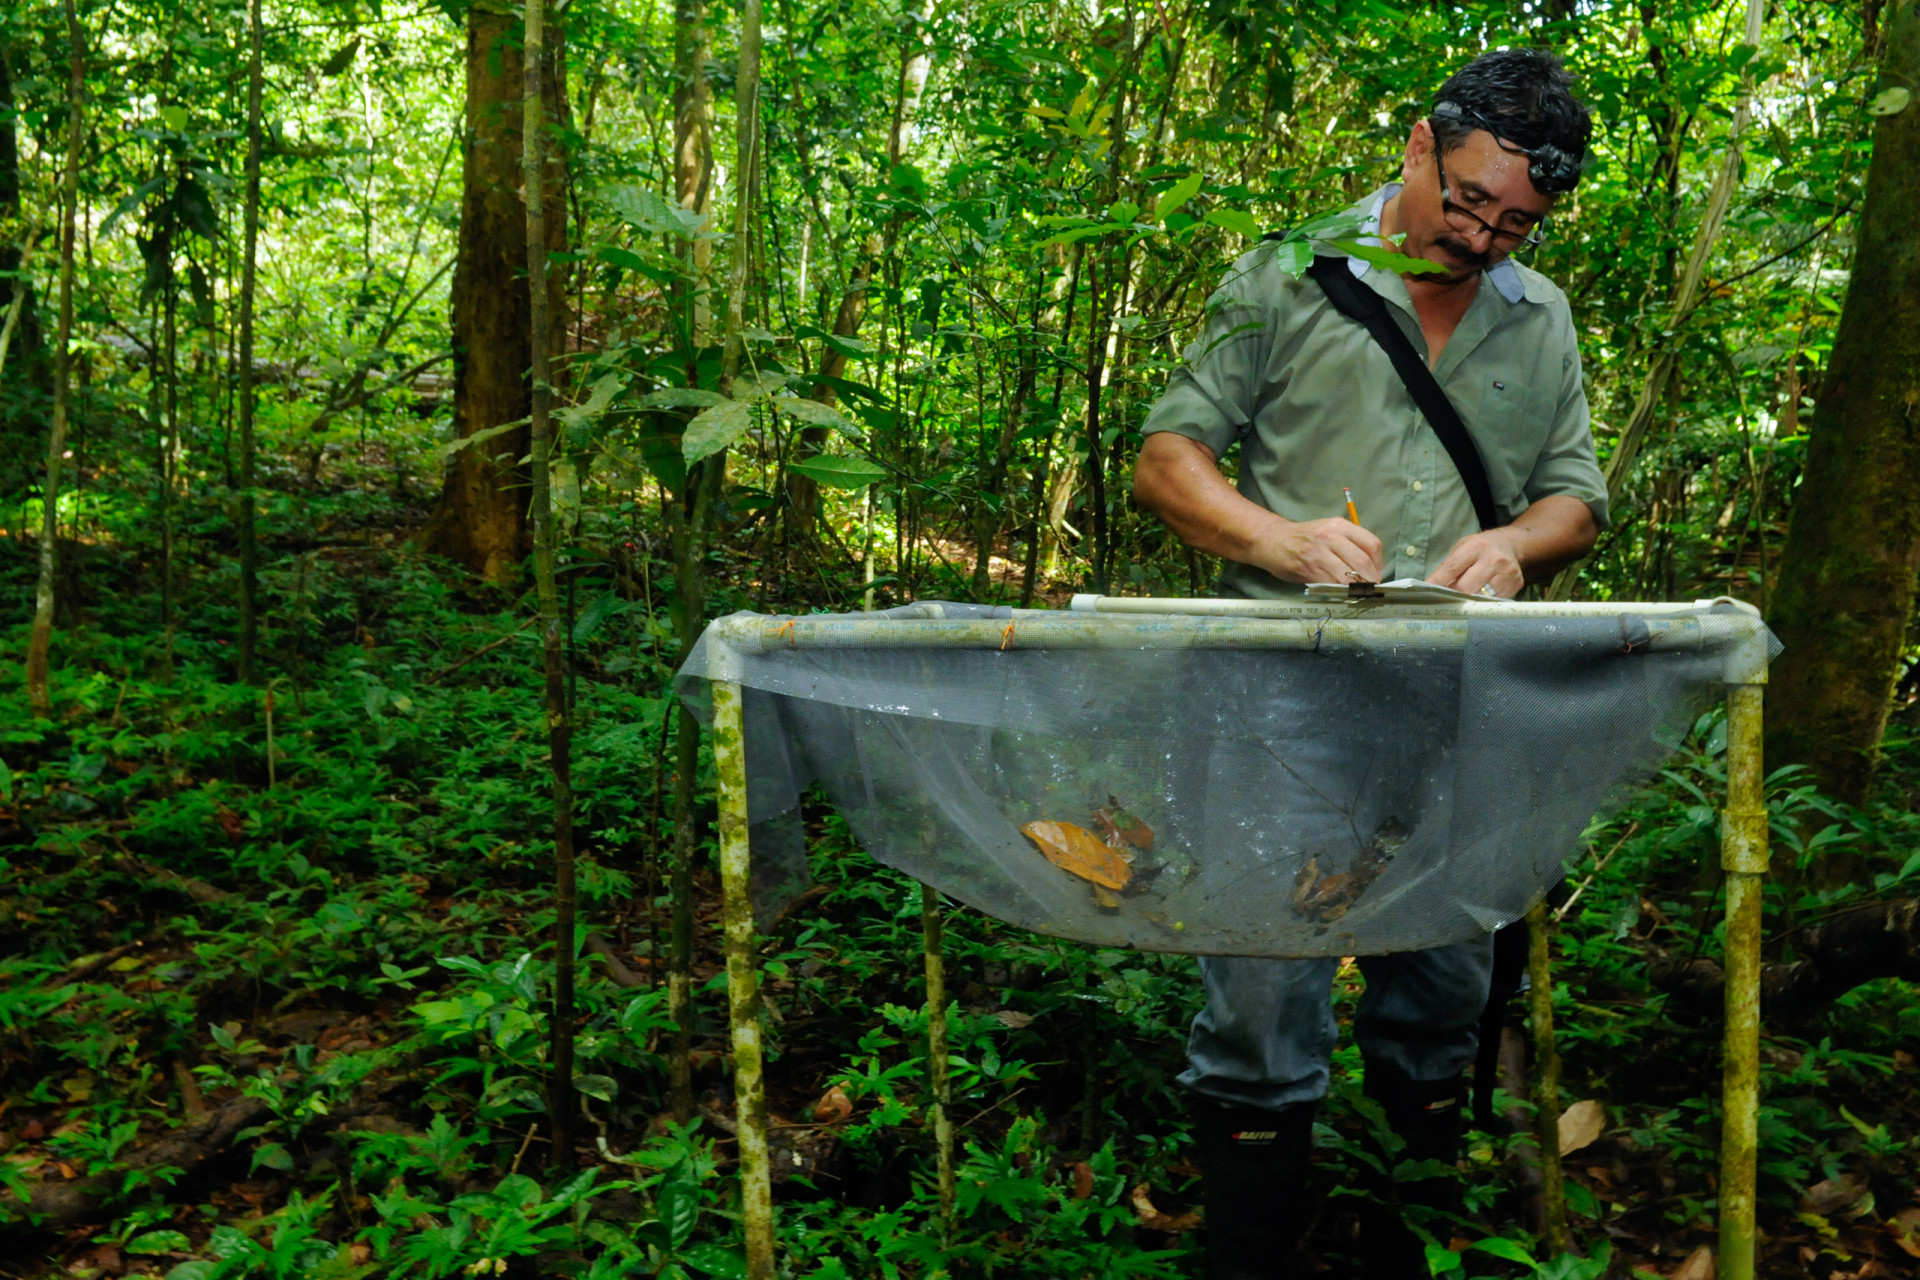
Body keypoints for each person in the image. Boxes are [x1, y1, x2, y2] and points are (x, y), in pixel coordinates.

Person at [1130, 49, 1607, 1280]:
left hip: (1458, 702)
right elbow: (1168, 458)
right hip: (1277, 695)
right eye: (1468, 201)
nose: (1481, 239)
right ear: (1418, 145)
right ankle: (1251, 1248)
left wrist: (1514, 544)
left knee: (1446, 979)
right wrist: (1276, 538)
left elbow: (1576, 500)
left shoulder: (1538, 317)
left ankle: (1408, 1232)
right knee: (1261, 986)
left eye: (1515, 225)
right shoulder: (1283, 274)